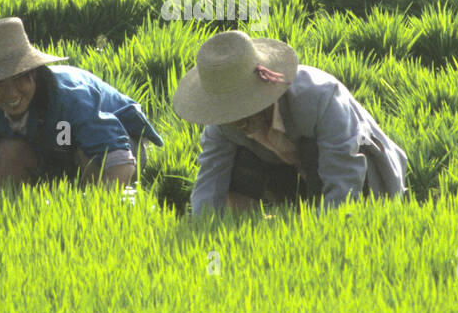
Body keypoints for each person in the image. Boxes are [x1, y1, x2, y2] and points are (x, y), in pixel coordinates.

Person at [173, 29, 408, 219]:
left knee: (313, 150)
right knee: (237, 160)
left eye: (242, 108)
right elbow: (211, 178)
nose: (235, 119)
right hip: (291, 177)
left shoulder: (320, 97)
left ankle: (315, 221)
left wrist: (329, 232)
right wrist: (203, 227)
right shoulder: (222, 124)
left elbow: (344, 170)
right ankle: (251, 227)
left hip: (359, 178)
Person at [0, 18, 163, 197]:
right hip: (52, 152)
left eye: (20, 78)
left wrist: (95, 213)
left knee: (84, 149)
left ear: (35, 72)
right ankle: (18, 215)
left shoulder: (70, 97)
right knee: (8, 150)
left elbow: (119, 162)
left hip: (120, 150)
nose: (11, 93)